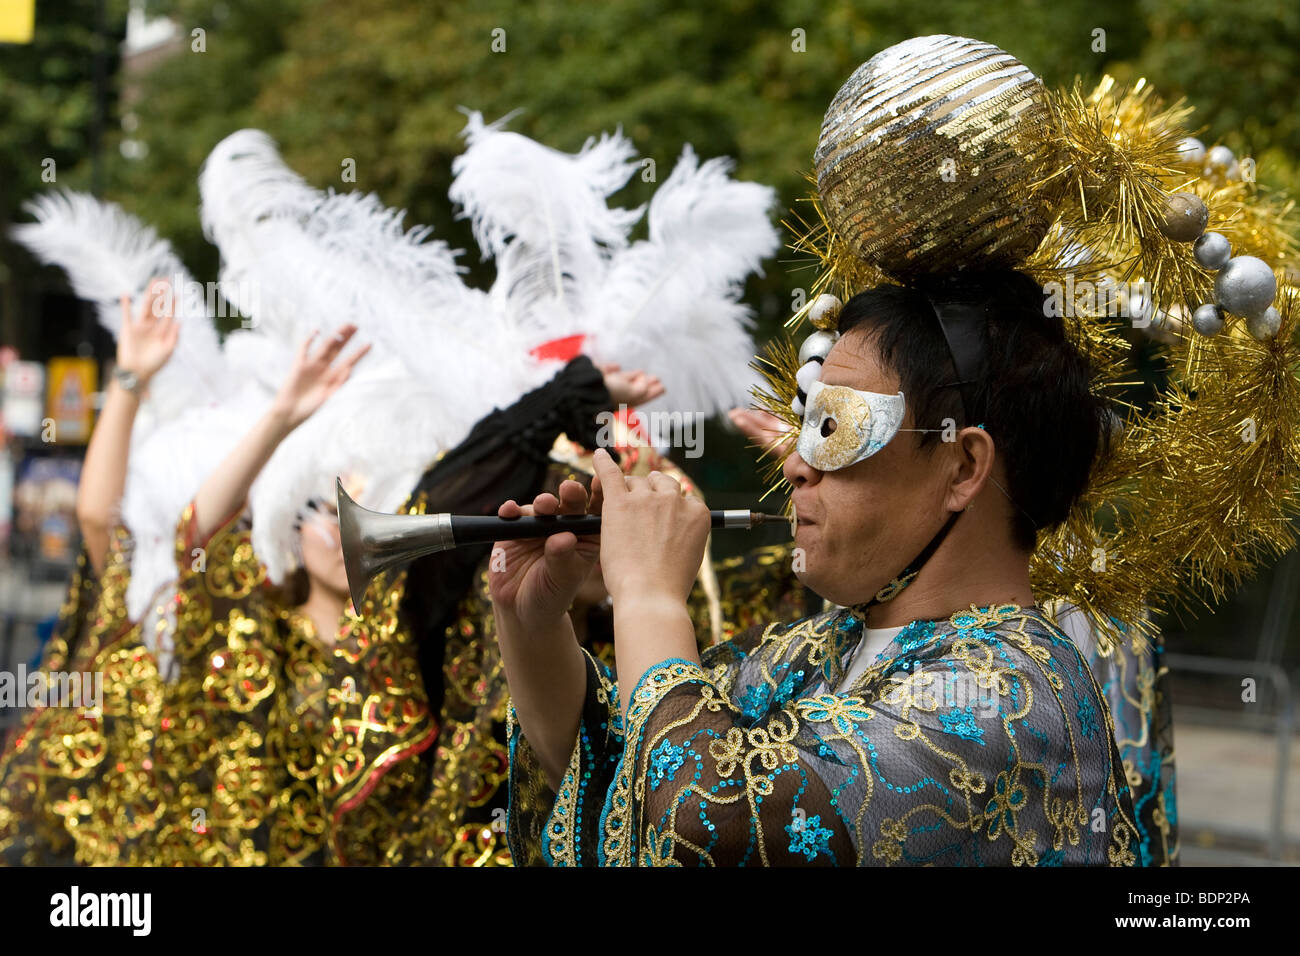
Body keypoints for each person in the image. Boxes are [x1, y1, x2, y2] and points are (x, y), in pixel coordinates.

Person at [496, 268, 1141, 866]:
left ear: (964, 466)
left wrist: (648, 598)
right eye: (805, 424)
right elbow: (625, 762)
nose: (796, 465)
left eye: (835, 427)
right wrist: (533, 624)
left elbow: (703, 820)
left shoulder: (1011, 697)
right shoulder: (811, 651)